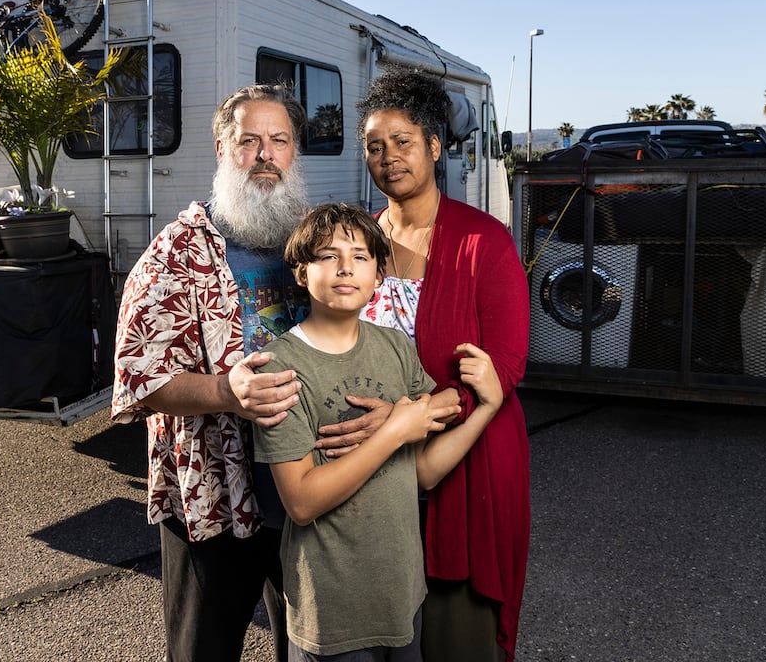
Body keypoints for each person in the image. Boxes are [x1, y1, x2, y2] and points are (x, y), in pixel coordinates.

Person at [324, 69, 532, 662]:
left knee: (453, 635)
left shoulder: (484, 241)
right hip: (374, 466)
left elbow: (507, 363)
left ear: (435, 147)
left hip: (466, 462)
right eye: (375, 146)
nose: (388, 157)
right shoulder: (361, 242)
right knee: (382, 630)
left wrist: (416, 414)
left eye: (403, 142)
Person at [111, 84, 312, 662]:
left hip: (304, 495)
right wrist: (227, 391)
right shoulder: (177, 253)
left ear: (294, 151)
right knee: (204, 649)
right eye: (249, 141)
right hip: (213, 497)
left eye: (279, 140)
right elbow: (139, 377)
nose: (265, 155)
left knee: (307, 647)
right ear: (222, 148)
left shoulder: (316, 241)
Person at [254, 203, 503, 660]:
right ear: (301, 273)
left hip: (402, 597)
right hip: (332, 612)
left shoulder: (394, 348)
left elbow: (424, 470)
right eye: (328, 256)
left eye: (360, 256)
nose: (346, 267)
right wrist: (393, 430)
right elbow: (302, 503)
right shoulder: (280, 368)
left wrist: (488, 407)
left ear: (378, 275)